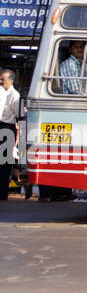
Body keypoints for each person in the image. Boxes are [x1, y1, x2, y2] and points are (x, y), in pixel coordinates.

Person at [1, 70, 20, 201]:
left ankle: (2, 193)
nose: (0, 82)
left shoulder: (15, 96)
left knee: (5, 164)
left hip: (7, 128)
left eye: (3, 80)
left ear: (11, 81)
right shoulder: (1, 93)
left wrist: (18, 141)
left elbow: (20, 117)